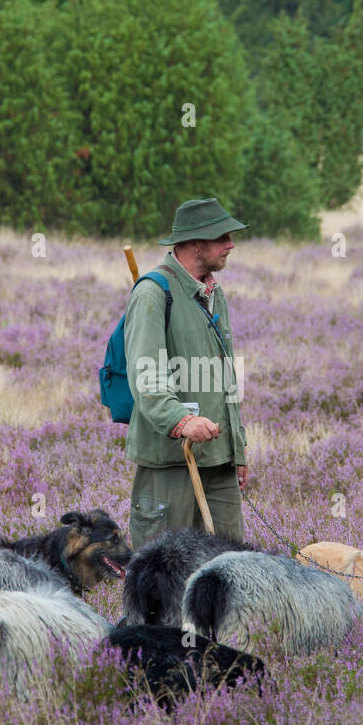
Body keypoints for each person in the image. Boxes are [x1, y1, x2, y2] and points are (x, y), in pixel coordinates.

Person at [124, 197, 249, 548]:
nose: (231, 244)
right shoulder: (151, 294)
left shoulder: (214, 294)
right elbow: (146, 378)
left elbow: (227, 379)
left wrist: (237, 450)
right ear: (196, 243)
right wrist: (181, 422)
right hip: (172, 461)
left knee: (229, 575)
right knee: (165, 575)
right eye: (222, 236)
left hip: (219, 463)